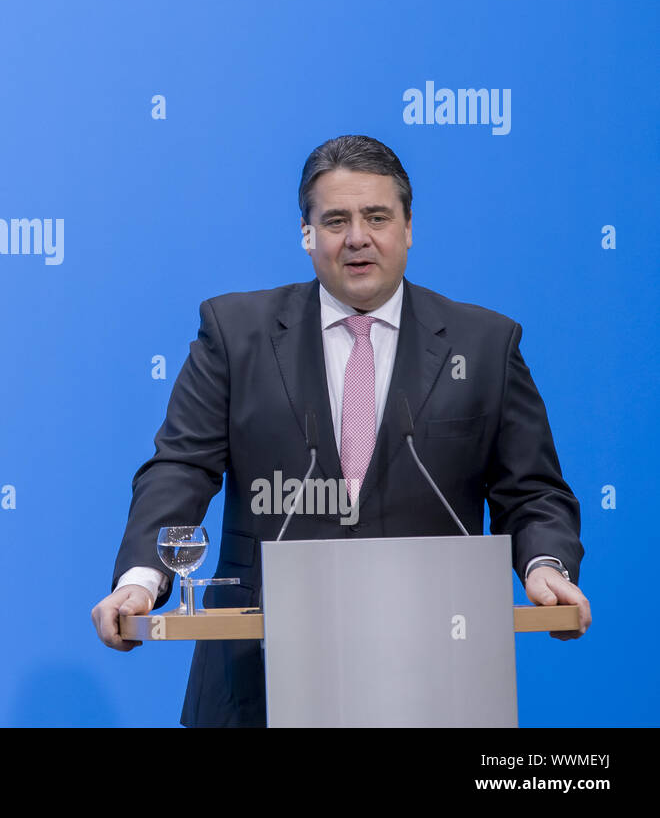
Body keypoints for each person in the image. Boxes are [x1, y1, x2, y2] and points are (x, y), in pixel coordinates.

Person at [90, 134, 591, 727]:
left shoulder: (484, 344)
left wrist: (545, 568)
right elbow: (182, 466)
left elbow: (530, 490)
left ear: (408, 227)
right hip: (260, 678)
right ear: (307, 235)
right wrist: (144, 577)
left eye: (377, 217)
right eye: (335, 220)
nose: (357, 237)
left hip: (434, 674)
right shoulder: (234, 333)